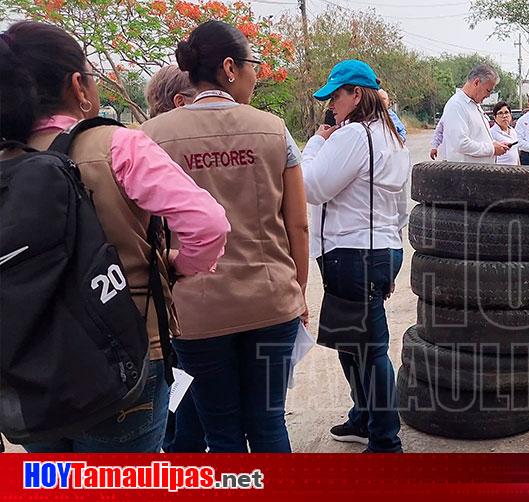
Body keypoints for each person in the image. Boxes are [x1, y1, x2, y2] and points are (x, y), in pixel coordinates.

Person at [0, 21, 229, 453]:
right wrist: (179, 265)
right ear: (77, 85)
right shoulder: (117, 146)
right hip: (129, 358)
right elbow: (209, 223)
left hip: (31, 373)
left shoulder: (7, 162)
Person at [140, 20, 309, 453]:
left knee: (221, 432)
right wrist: (299, 292)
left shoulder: (149, 138)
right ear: (230, 68)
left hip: (196, 313)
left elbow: (144, 232)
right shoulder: (273, 129)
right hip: (272, 302)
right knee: (270, 425)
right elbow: (298, 225)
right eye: (255, 63)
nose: (257, 73)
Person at [301, 59, 410, 453]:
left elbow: (310, 186)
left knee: (370, 348)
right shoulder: (394, 137)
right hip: (381, 249)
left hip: (353, 253)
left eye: (336, 96)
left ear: (356, 95)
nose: (332, 105)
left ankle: (385, 440)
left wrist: (316, 142)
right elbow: (400, 206)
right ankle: (363, 416)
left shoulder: (351, 137)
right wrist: (390, 254)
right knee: (353, 341)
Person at [144, 65, 208, 454]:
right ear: (180, 102)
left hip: (165, 297)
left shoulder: (144, 146)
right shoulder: (147, 152)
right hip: (180, 296)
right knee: (187, 385)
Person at [438, 64, 509, 163]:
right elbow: (460, 143)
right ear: (476, 83)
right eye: (488, 90)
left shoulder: (475, 105)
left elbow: (478, 137)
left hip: (481, 172)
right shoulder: (456, 105)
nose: (488, 95)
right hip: (467, 174)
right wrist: (491, 149)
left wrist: (495, 145)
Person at [489, 101, 519, 166]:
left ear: (510, 115)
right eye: (500, 113)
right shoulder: (491, 133)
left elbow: (516, 153)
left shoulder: (513, 131)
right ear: (494, 117)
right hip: (500, 170)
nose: (504, 116)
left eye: (506, 112)